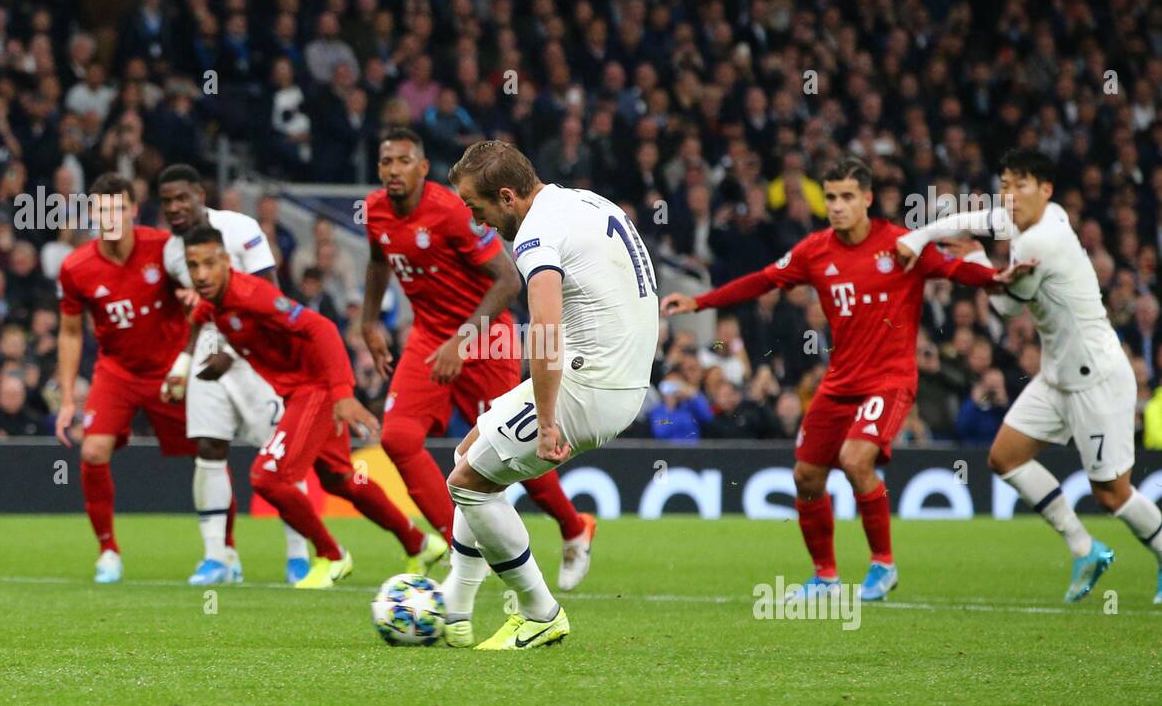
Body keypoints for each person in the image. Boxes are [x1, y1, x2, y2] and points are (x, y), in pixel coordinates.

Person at [663, 157, 1029, 601]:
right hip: (839, 383)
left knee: (857, 460)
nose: (837, 206)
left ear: (867, 199)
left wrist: (995, 276)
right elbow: (762, 281)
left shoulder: (902, 244)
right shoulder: (815, 250)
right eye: (831, 197)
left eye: (847, 197)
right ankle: (825, 577)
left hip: (890, 380)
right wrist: (700, 303)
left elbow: (955, 269)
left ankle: (883, 565)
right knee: (806, 476)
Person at [897, 148, 1162, 604]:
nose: (1010, 195)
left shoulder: (1043, 241)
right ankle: (1084, 548)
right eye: (1005, 184)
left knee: (1112, 494)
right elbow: (974, 218)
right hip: (1057, 374)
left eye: (1021, 185)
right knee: (1005, 457)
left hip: (1095, 377)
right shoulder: (1035, 217)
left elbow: (1004, 306)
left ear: (1046, 190)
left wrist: (978, 263)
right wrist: (919, 237)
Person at [361, 127, 599, 592]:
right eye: (385, 161)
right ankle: (460, 550)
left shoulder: (452, 211)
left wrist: (461, 340)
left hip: (486, 339)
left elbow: (509, 281)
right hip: (430, 337)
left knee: (507, 453)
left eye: (403, 161)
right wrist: (369, 321)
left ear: (423, 168)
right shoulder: (374, 211)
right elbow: (376, 261)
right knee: (398, 438)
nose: (393, 170)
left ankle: (574, 527)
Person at [442, 140, 659, 649]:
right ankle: (455, 607)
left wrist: (545, 422)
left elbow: (544, 330)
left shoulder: (536, 235)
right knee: (468, 452)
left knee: (468, 481)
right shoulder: (585, 202)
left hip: (590, 381)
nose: (479, 224)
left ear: (507, 197)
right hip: (620, 374)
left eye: (478, 209)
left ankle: (539, 613)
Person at [180, 224, 389, 589]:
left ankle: (323, 554)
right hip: (294, 390)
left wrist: (343, 393)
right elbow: (200, 317)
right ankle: (419, 542)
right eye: (193, 266)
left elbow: (321, 328)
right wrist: (179, 371)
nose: (200, 274)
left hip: (312, 387)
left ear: (227, 262)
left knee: (271, 475)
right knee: (337, 477)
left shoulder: (251, 289)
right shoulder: (212, 304)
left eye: (208, 264)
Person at [54, 173, 195, 584]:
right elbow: (68, 332)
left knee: (207, 454)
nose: (111, 217)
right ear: (92, 215)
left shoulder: (165, 248)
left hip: (170, 371)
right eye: (102, 210)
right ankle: (108, 552)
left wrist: (192, 298)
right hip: (116, 371)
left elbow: (202, 295)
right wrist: (67, 400)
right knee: (93, 451)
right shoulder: (76, 267)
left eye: (118, 209)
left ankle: (223, 552)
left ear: (134, 210)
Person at [157, 163, 286, 585]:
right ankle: (218, 558)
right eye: (167, 202)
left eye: (182, 198)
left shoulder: (241, 227)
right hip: (210, 351)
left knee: (279, 452)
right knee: (209, 448)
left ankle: (301, 557)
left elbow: (270, 292)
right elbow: (198, 314)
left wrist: (233, 351)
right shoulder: (171, 253)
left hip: (258, 348)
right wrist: (181, 366)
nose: (175, 208)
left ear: (199, 193)